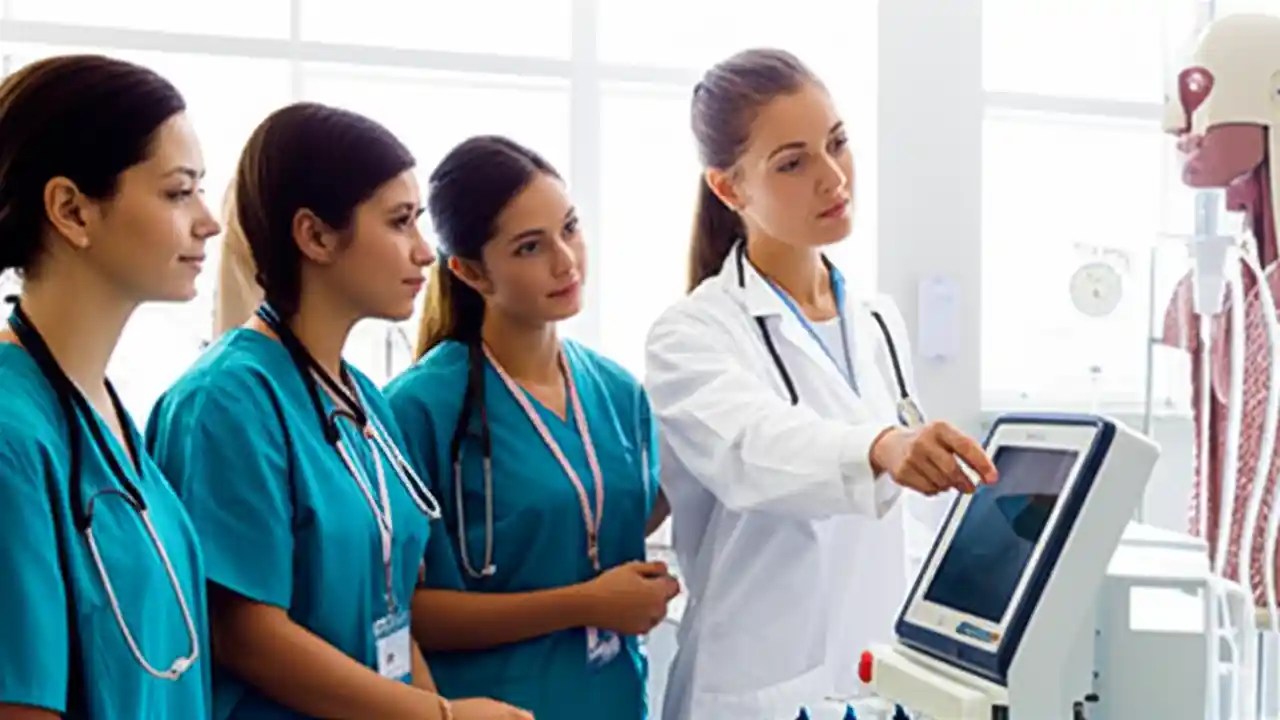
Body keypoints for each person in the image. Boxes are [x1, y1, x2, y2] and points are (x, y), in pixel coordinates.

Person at [643, 48, 1000, 719]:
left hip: (878, 677)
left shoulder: (877, 320)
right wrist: (881, 448)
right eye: (793, 162)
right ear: (729, 188)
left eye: (837, 143)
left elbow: (900, 520)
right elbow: (752, 450)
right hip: (759, 688)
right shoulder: (691, 335)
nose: (833, 176)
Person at [145, 104, 529, 720]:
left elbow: (394, 615)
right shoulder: (225, 401)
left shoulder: (364, 399)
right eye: (400, 223)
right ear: (316, 236)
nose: (424, 253)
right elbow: (243, 633)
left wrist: (435, 710)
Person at [384, 135, 678, 720]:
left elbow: (623, 512)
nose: (566, 261)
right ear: (469, 271)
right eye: (529, 247)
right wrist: (585, 604)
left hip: (614, 701)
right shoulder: (418, 409)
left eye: (569, 229)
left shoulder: (620, 393)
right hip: (494, 708)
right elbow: (406, 615)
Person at [0, 54, 219, 719]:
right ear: (71, 210)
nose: (208, 220)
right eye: (179, 192)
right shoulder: (13, 437)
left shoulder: (101, 412)